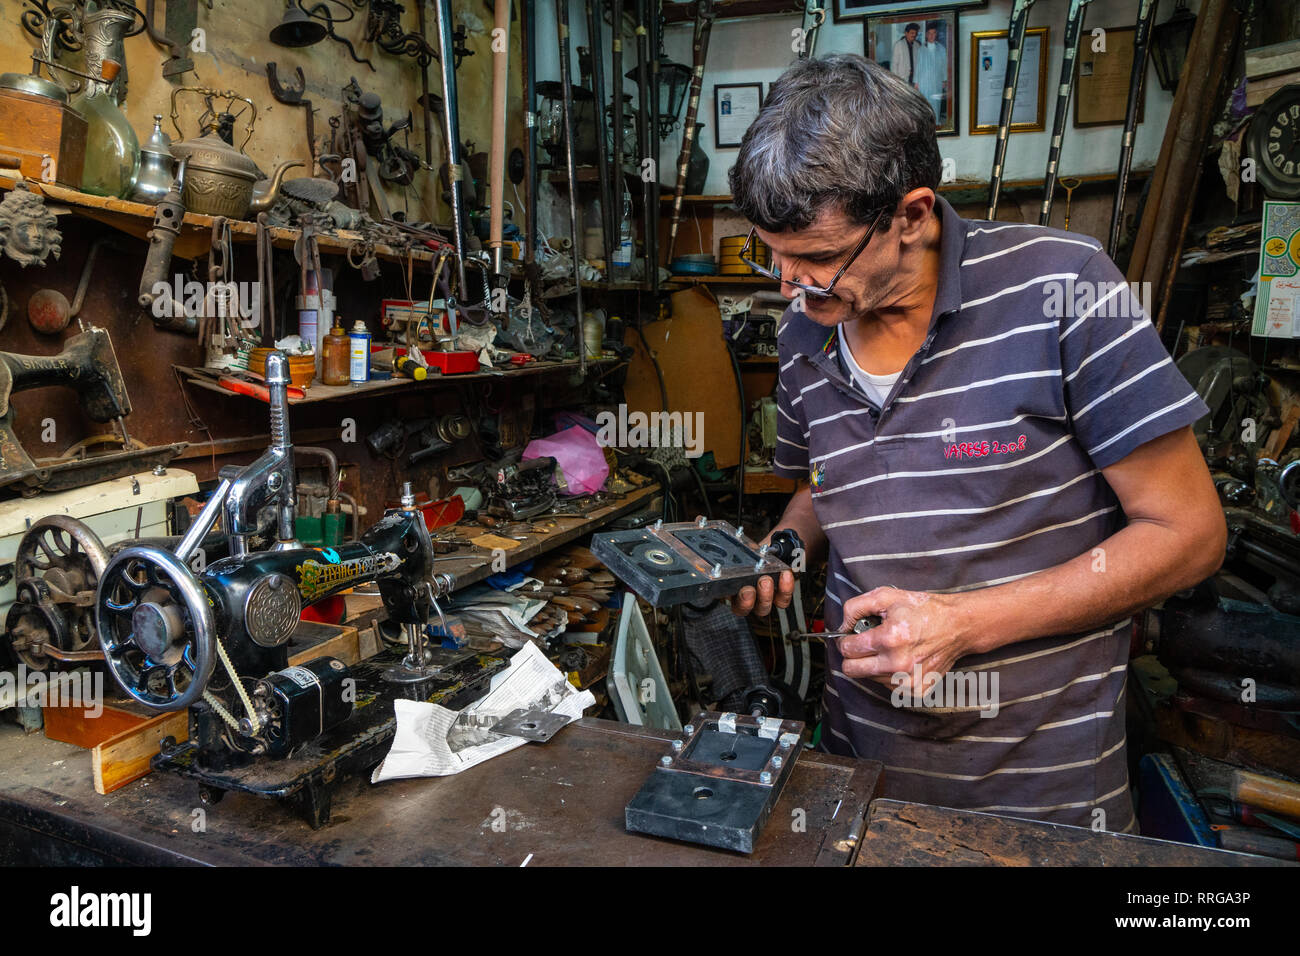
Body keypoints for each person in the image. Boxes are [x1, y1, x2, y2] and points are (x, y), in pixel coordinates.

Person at [727, 55, 1225, 833]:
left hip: (1039, 786)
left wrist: (962, 623)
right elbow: (829, 480)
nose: (788, 284)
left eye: (818, 258)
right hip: (863, 768)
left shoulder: (1063, 289)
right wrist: (788, 544)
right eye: (772, 253)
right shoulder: (804, 328)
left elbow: (1189, 535)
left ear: (913, 214)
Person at [915, 21, 948, 123]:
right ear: (926, 35)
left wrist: (944, 80)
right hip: (924, 82)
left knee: (936, 104)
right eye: (929, 33)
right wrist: (916, 82)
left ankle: (936, 123)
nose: (931, 36)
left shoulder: (941, 49)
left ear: (936, 34)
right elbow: (918, 66)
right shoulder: (921, 49)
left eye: (934, 33)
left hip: (936, 81)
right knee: (925, 105)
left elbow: (944, 65)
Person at [889, 23, 921, 89]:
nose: (914, 35)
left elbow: (919, 64)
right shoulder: (898, 45)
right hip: (902, 80)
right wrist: (896, 82)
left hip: (914, 81)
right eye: (912, 33)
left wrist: (918, 80)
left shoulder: (917, 45)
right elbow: (894, 65)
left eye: (915, 33)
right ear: (906, 33)